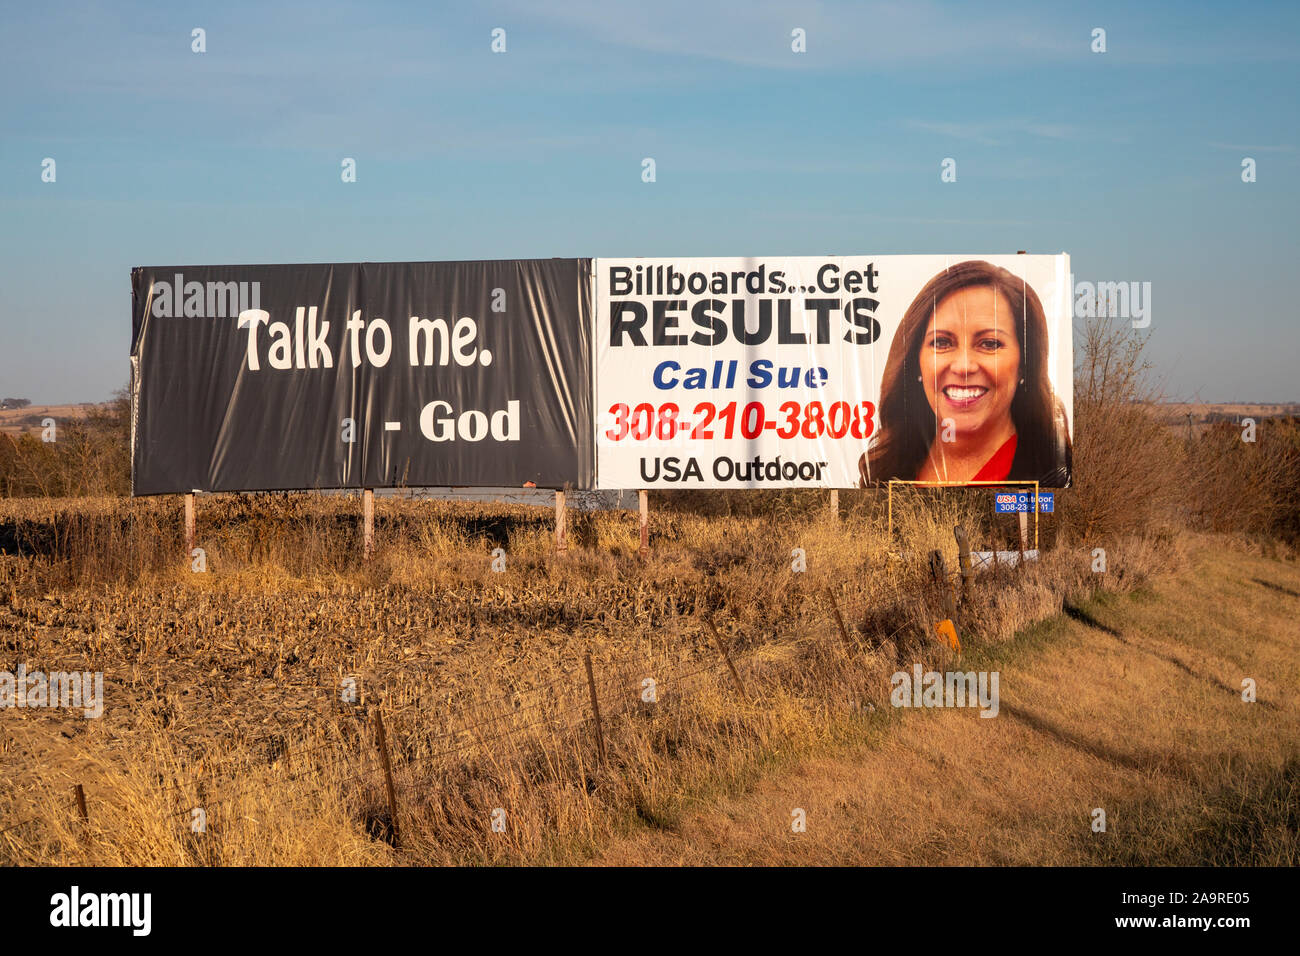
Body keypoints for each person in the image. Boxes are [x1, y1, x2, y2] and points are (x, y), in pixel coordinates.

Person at [858, 260, 1071, 487]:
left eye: (989, 343)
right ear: (915, 361)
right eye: (941, 342)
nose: (963, 366)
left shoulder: (1053, 478)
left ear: (1025, 364)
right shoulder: (883, 472)